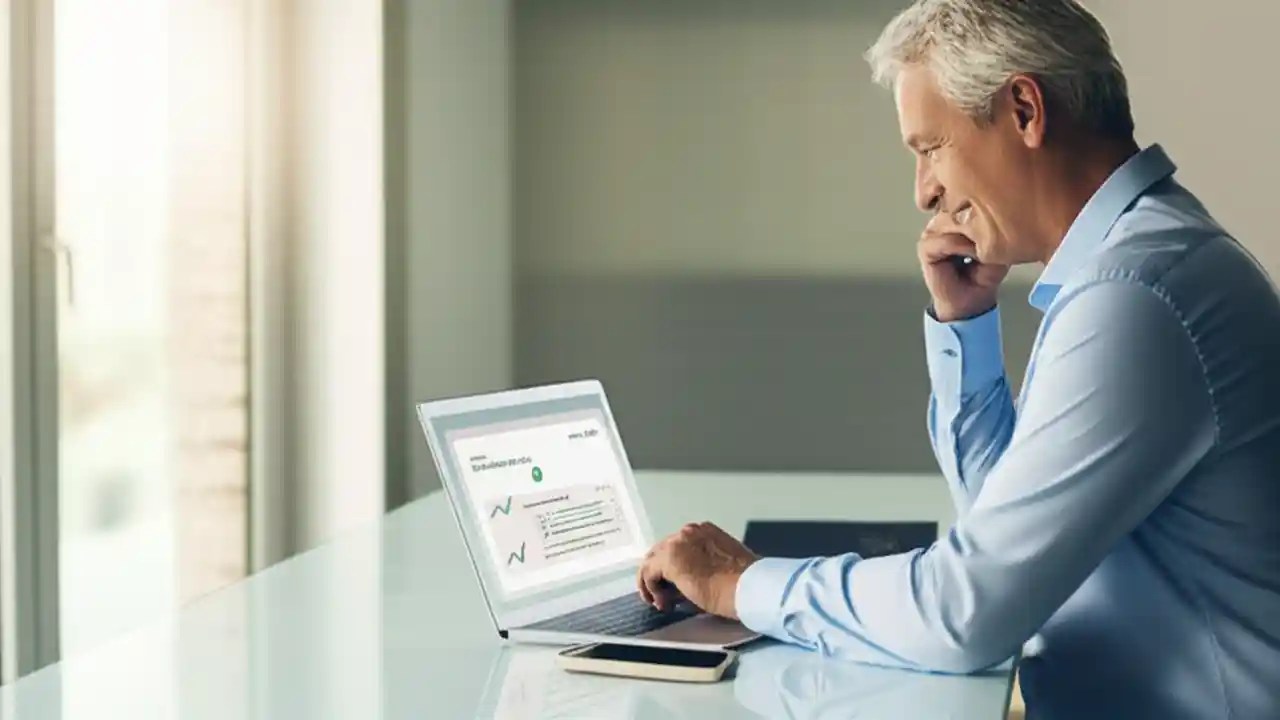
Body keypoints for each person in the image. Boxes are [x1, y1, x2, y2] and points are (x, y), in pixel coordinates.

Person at [635, 1, 1280, 717]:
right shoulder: (1145, 263)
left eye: (929, 146)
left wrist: (741, 586)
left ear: (1025, 110)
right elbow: (1001, 536)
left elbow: (965, 613)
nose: (924, 192)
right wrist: (966, 325)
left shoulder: (1137, 294)